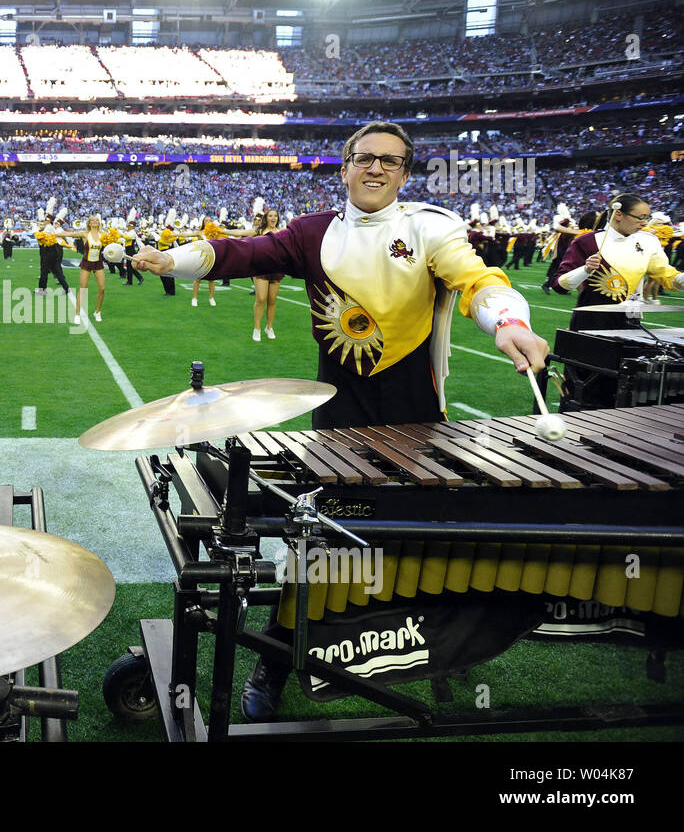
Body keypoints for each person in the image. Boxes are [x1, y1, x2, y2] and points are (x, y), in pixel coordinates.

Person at [132, 121, 551, 722]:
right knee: (319, 546)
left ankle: (420, 646)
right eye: (364, 158)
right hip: (338, 425)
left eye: (390, 161)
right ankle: (274, 660)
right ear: (346, 166)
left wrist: (509, 322)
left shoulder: (431, 228)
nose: (376, 168)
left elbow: (477, 280)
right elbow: (239, 253)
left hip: (418, 423)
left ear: (405, 173)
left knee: (413, 540)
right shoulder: (311, 234)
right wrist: (170, 259)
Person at [552, 195, 684, 407]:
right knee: (585, 388)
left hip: (630, 323)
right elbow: (559, 284)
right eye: (640, 217)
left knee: (621, 385)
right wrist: (585, 269)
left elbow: (666, 276)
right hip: (590, 324)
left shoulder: (649, 241)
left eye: (647, 217)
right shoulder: (587, 242)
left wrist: (681, 279)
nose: (645, 222)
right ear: (618, 214)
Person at [48, 214, 110, 324]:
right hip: (86, 263)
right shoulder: (85, 234)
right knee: (83, 288)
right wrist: (54, 234)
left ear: (99, 223)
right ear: (89, 223)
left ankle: (97, 312)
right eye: (93, 220)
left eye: (97, 220)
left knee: (102, 289)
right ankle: (77, 314)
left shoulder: (103, 235)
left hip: (98, 264)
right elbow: (70, 233)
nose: (95, 221)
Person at [250, 209, 284, 342]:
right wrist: (222, 231)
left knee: (272, 301)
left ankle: (269, 327)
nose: (273, 218)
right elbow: (241, 233)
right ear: (266, 218)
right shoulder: (259, 231)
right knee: (261, 299)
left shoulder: (282, 232)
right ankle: (256, 328)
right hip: (261, 269)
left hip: (276, 269)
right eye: (270, 216)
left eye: (275, 216)